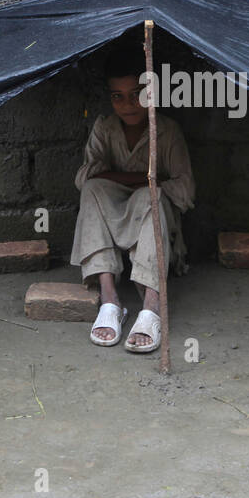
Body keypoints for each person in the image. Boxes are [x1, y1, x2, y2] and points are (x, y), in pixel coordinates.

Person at [71, 46, 195, 352]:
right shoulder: (104, 128)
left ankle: (151, 306)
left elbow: (185, 191)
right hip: (112, 214)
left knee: (150, 195)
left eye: (137, 94)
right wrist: (145, 177)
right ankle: (110, 300)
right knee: (93, 190)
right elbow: (85, 178)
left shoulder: (167, 131)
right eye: (118, 96)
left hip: (154, 218)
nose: (128, 104)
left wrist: (146, 185)